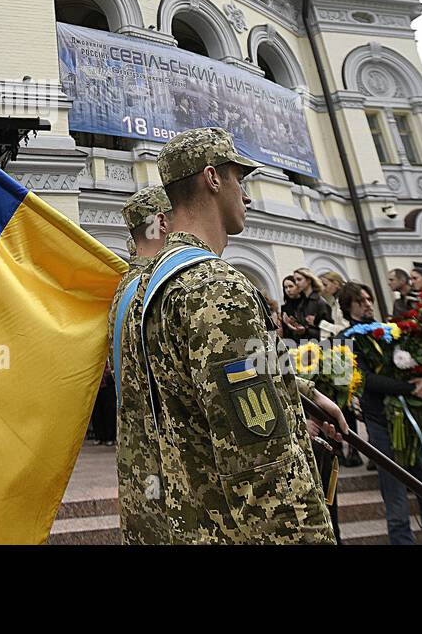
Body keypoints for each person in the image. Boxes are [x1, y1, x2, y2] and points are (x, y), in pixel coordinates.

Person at [117, 127, 345, 544]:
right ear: (212, 178)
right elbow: (260, 458)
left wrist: (305, 394)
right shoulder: (215, 286)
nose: (248, 196)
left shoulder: (145, 287)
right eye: (240, 179)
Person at [341, 281, 422, 545]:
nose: (368, 303)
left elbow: (418, 363)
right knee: (396, 501)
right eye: (360, 300)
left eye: (369, 298)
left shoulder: (393, 331)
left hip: (415, 418)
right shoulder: (346, 339)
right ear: (348, 306)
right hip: (381, 421)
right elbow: (364, 379)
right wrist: (411, 388)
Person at [109, 186, 172, 536]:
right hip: (165, 461)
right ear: (162, 223)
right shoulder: (156, 286)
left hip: (139, 463)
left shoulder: (125, 285)